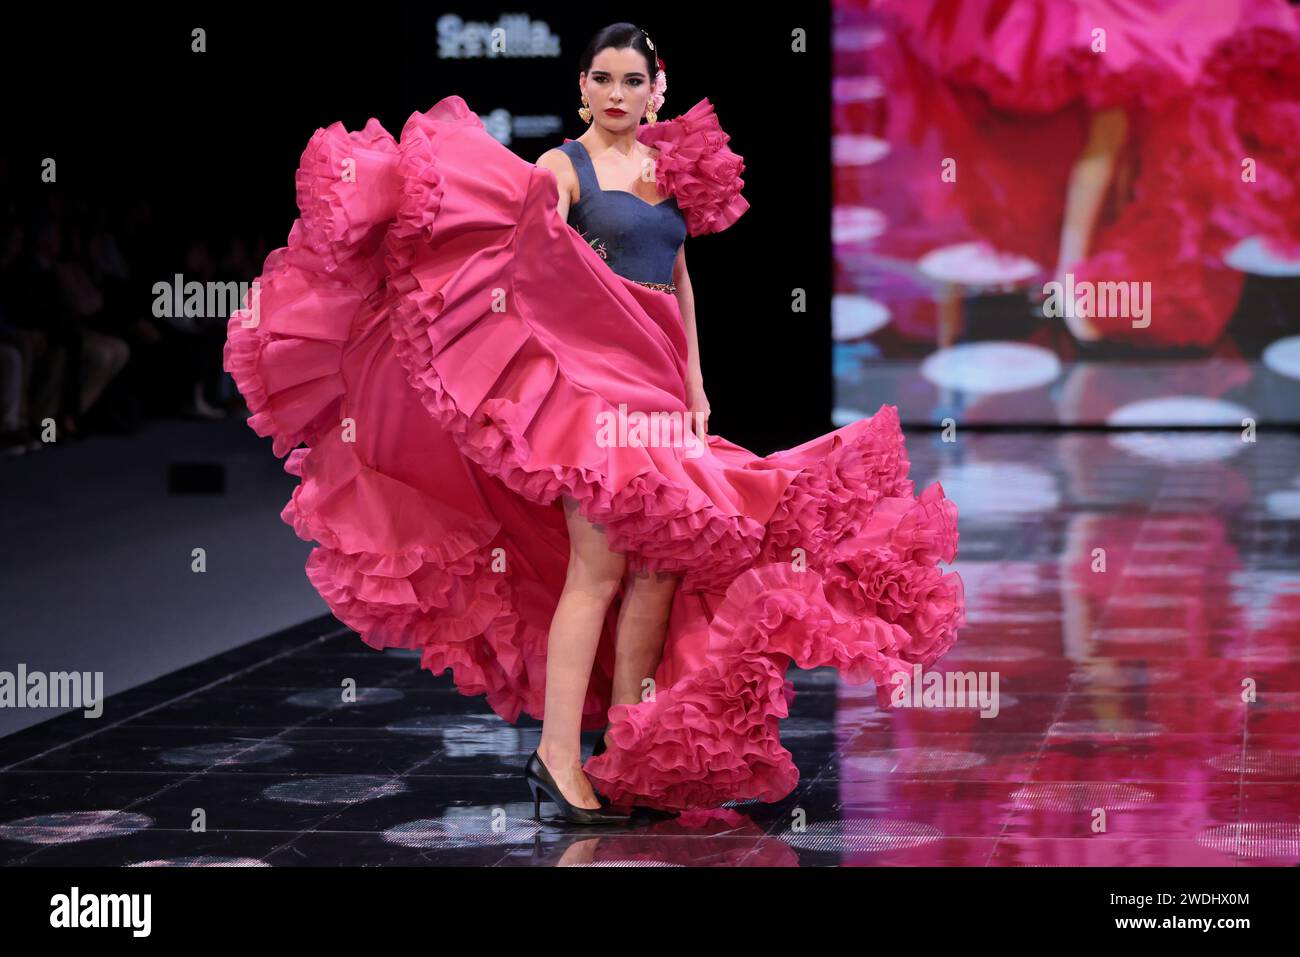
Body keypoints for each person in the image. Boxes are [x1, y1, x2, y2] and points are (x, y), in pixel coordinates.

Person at [224, 22, 965, 823]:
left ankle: (633, 751)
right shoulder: (559, 170)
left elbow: (678, 278)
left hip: (659, 390)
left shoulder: (670, 169)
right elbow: (521, 278)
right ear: (581, 87)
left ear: (656, 88)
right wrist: (554, 386)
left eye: (631, 81)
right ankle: (554, 753)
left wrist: (696, 381)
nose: (617, 94)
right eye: (603, 80)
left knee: (657, 572)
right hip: (592, 399)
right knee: (599, 570)